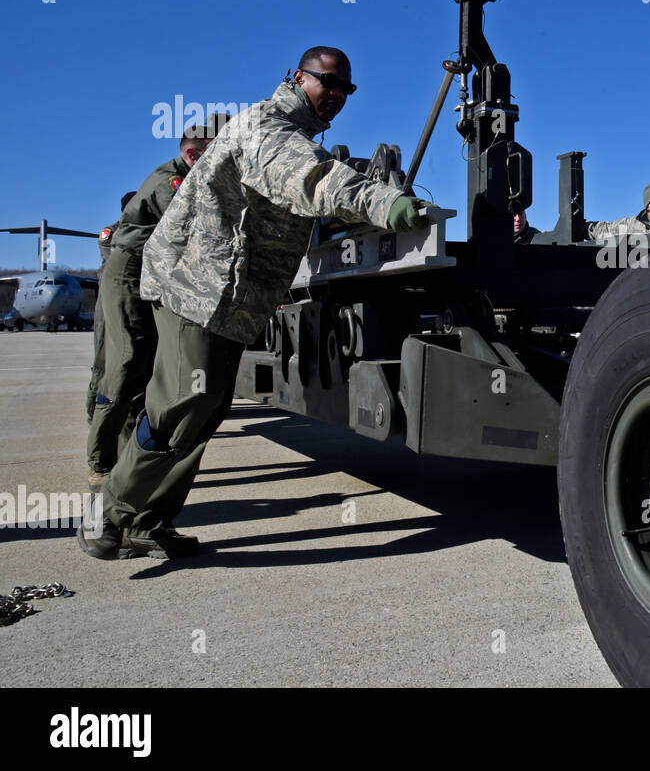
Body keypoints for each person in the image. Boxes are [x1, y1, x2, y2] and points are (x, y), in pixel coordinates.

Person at [78, 47, 434, 560]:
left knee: (203, 411)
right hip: (196, 289)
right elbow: (312, 179)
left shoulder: (296, 135)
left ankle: (145, 522)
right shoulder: (269, 129)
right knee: (180, 404)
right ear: (297, 77)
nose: (335, 95)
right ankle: (110, 515)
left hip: (228, 299)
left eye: (344, 89)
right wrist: (387, 203)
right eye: (326, 82)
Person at [85, 116, 225, 491]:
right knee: (126, 364)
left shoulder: (187, 179)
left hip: (149, 274)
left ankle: (128, 458)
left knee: (144, 369)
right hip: (129, 272)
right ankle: (100, 463)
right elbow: (193, 226)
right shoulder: (172, 182)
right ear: (193, 153)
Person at [86, 191, 136, 423]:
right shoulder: (112, 232)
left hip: (133, 300)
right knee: (103, 360)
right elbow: (115, 258)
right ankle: (95, 412)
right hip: (109, 301)